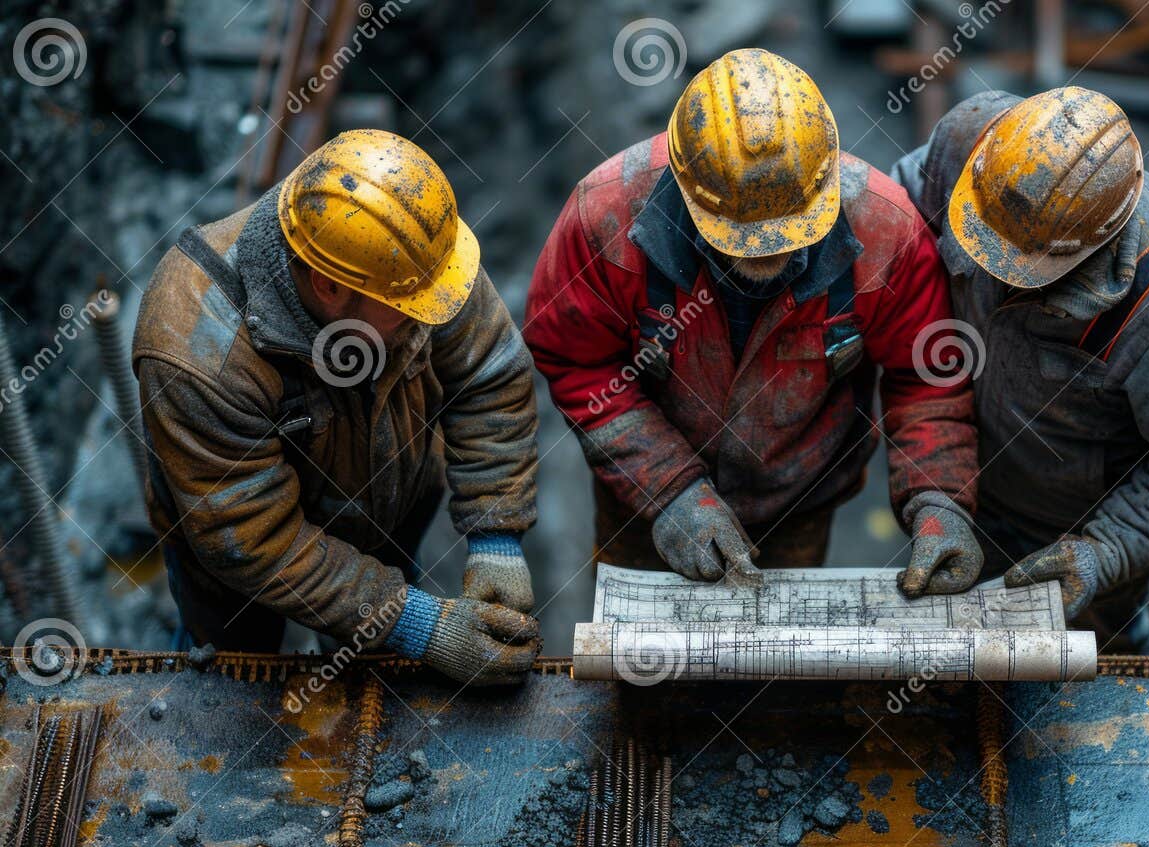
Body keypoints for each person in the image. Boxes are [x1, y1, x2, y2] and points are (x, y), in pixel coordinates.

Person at [524, 48, 980, 597]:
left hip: (800, 500)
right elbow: (578, 363)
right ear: (691, 194)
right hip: (641, 502)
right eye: (740, 240)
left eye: (786, 239)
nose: (766, 260)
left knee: (773, 667)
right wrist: (669, 490)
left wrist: (939, 501)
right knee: (639, 664)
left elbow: (926, 380)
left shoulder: (888, 234)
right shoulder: (606, 219)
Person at [134, 129, 542, 684]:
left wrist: (496, 534)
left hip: (388, 509)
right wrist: (418, 625)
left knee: (371, 675)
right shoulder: (196, 352)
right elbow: (254, 539)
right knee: (231, 676)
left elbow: (488, 373)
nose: (429, 317)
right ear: (329, 286)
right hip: (240, 559)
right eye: (407, 310)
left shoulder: (406, 252)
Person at [892, 88, 1149, 652]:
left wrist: (1105, 552)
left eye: (1026, 269)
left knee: (1084, 683)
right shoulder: (977, 144)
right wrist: (937, 486)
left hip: (1069, 534)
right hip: (961, 473)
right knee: (950, 665)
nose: (1001, 277)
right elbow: (895, 224)